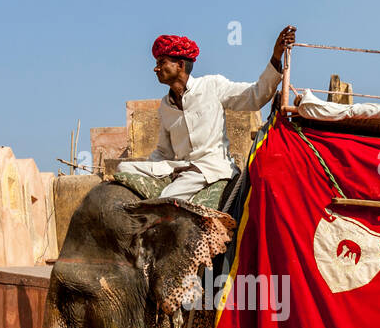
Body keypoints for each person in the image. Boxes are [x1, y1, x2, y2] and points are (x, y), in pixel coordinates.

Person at [116, 25, 295, 200]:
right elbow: (164, 152)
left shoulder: (212, 86)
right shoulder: (165, 106)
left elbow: (255, 96)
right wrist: (149, 169)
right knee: (123, 168)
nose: (156, 69)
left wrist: (276, 56)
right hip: (182, 167)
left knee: (168, 197)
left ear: (179, 65)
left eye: (161, 63)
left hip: (211, 167)